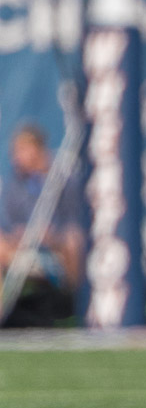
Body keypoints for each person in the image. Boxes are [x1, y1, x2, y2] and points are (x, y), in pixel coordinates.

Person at [0, 121, 85, 327]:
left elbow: (75, 223)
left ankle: (80, 305)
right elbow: (10, 226)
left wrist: (51, 236)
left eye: (21, 150)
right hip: (25, 249)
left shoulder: (63, 181)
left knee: (74, 241)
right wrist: (20, 236)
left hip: (57, 249)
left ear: (38, 150)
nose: (16, 157)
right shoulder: (15, 186)